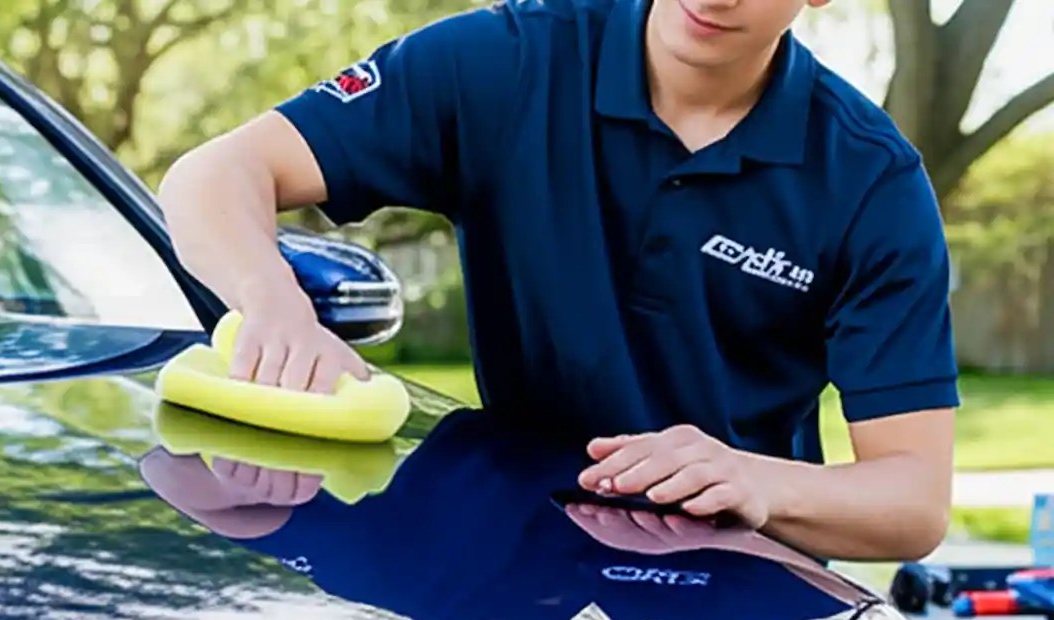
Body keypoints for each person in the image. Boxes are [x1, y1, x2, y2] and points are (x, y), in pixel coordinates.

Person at [157, 0, 959, 562]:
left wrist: (755, 479)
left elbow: (913, 502)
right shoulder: (508, 61)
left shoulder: (871, 182)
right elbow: (213, 173)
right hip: (499, 561)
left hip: (731, 599)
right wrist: (274, 302)